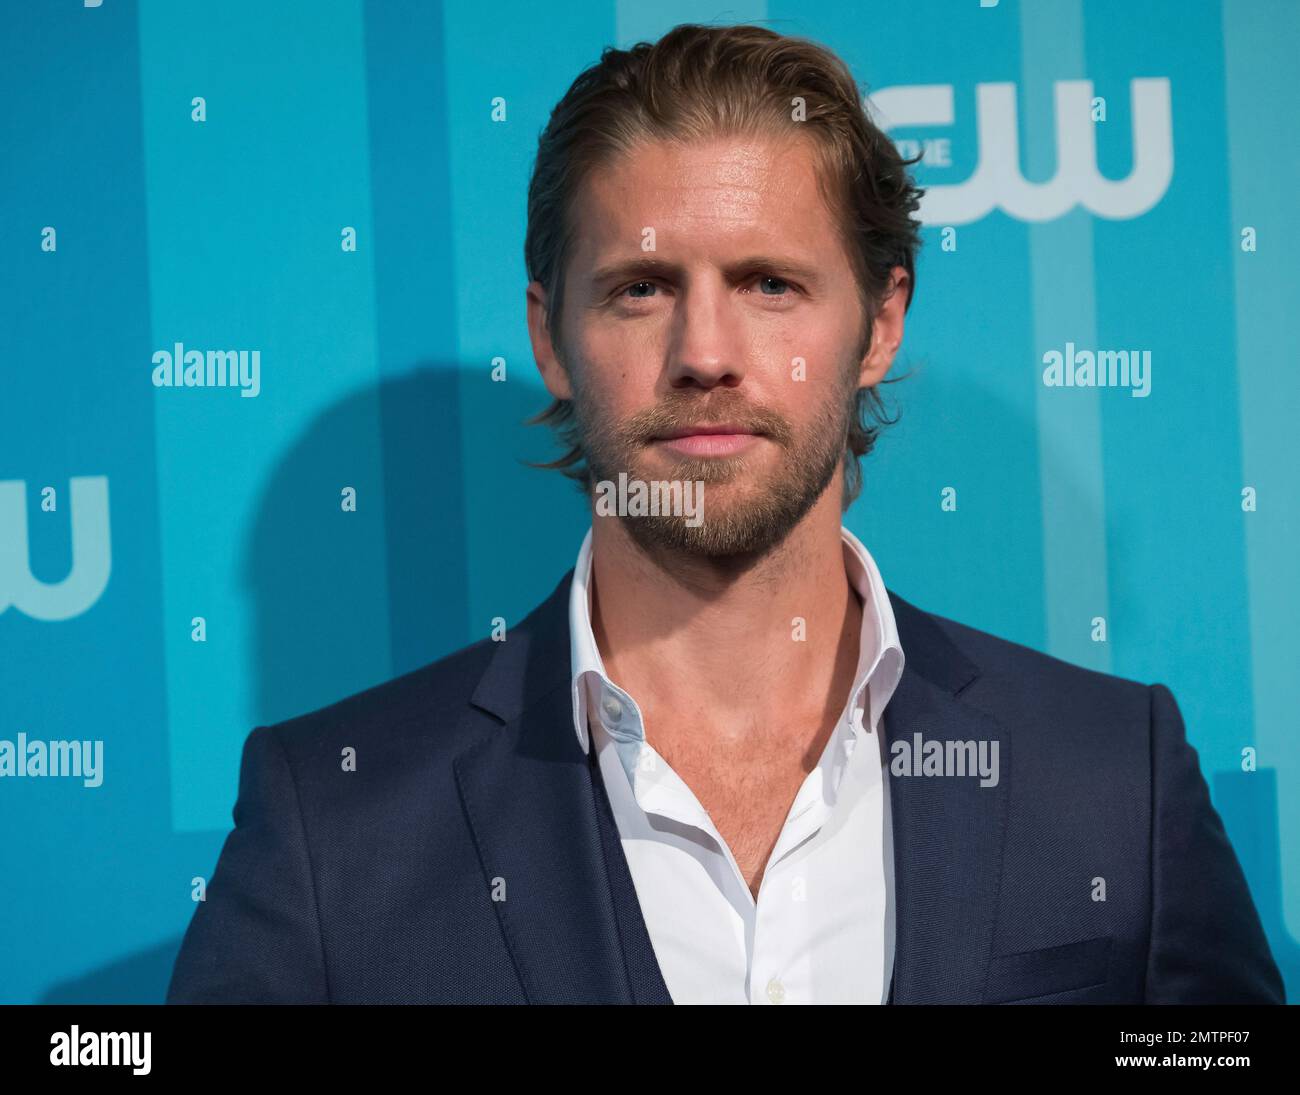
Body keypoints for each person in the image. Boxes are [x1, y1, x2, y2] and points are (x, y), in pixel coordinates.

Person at [167, 23, 1284, 1005]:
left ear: (880, 323)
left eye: (769, 285)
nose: (704, 355)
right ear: (551, 336)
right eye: (641, 289)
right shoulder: (336, 823)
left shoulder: (1108, 777)